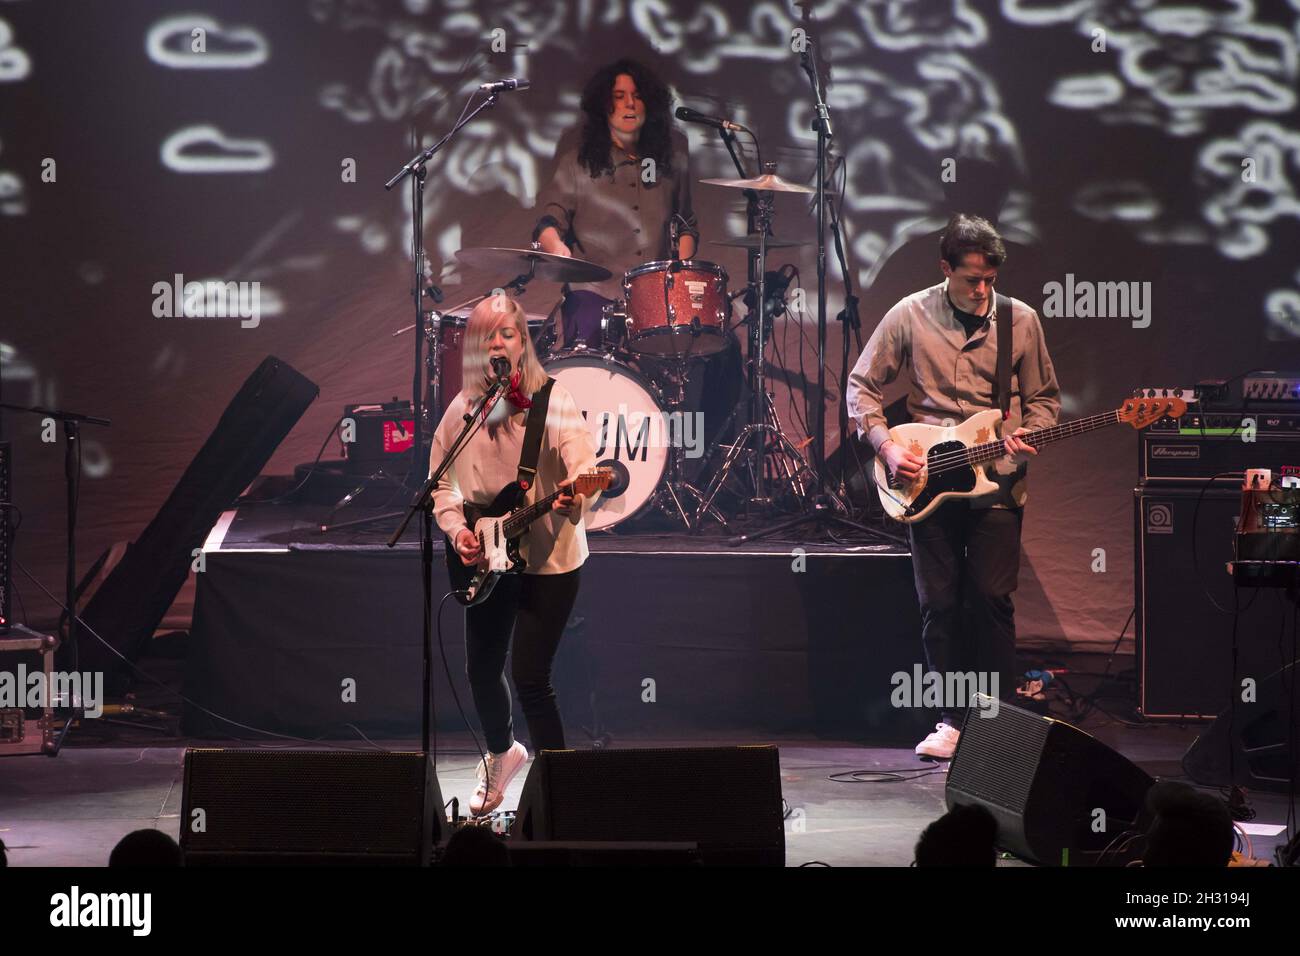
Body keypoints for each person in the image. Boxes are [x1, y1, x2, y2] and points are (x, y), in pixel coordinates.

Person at [846, 213, 1060, 760]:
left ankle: (995, 726)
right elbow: (862, 387)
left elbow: (1045, 402)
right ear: (946, 269)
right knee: (938, 604)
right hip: (926, 478)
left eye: (990, 280)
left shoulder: (1022, 320)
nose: (983, 291)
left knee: (990, 600)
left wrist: (1029, 434)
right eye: (971, 280)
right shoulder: (911, 313)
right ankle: (951, 721)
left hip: (996, 480)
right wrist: (888, 448)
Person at [430, 295, 599, 815]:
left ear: (522, 342)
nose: (498, 343)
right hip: (486, 558)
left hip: (549, 558)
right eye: (488, 336)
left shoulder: (553, 399)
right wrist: (458, 529)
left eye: (508, 333)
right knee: (481, 668)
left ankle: (562, 794)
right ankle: (503, 755)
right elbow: (443, 486)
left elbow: (582, 460)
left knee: (530, 677)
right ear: (475, 350)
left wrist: (579, 489)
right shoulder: (461, 411)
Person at [533, 58, 699, 349]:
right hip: (592, 293)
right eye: (619, 97)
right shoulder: (577, 163)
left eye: (637, 97)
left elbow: (688, 226)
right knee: (589, 361)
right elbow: (549, 222)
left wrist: (679, 271)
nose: (630, 105)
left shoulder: (672, 164)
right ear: (603, 106)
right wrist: (556, 248)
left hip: (654, 297)